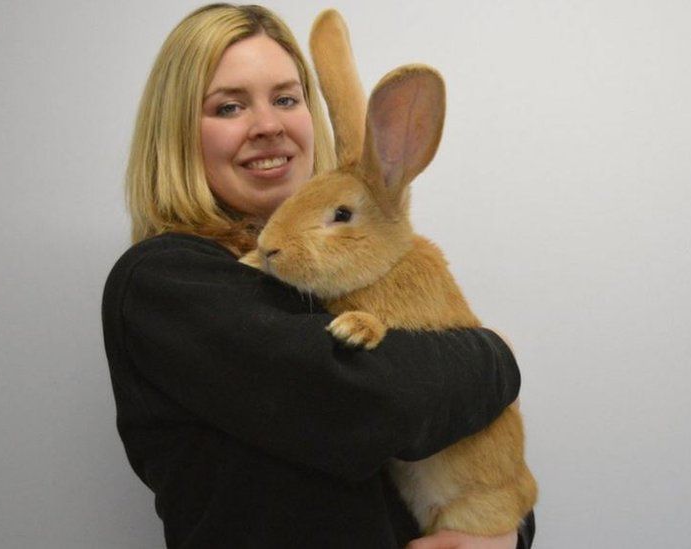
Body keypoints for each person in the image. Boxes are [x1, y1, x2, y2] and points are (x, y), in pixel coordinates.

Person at [101, 4, 536, 548]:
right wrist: (499, 356)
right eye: (229, 106)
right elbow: (382, 403)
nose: (268, 126)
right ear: (178, 133)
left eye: (286, 99)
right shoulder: (164, 283)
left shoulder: (341, 273)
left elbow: (477, 449)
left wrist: (501, 537)